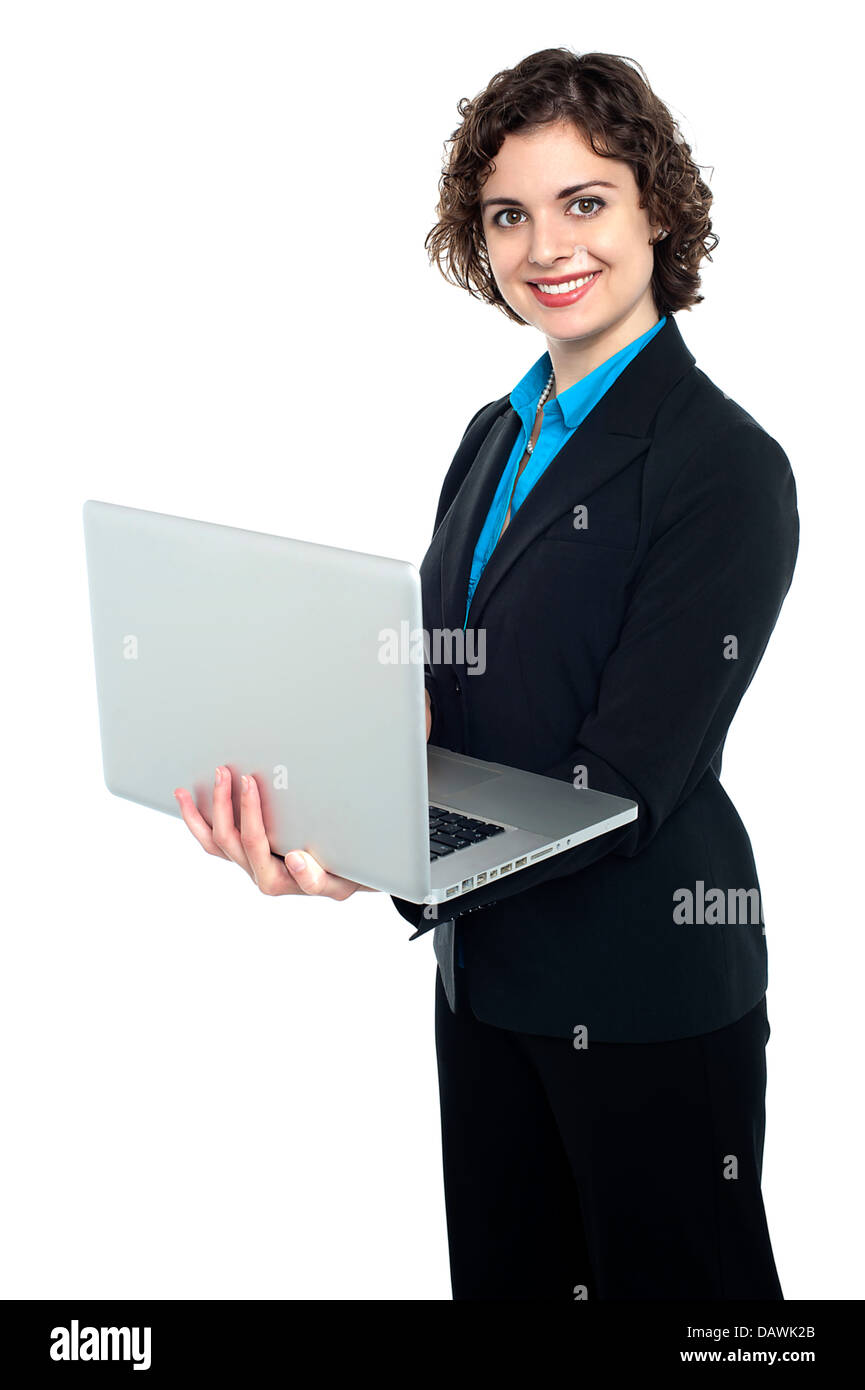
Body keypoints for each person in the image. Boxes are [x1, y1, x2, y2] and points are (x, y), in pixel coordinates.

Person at [176, 47, 798, 1301]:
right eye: (508, 214)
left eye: (585, 202)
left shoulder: (723, 464)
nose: (544, 246)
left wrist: (380, 857)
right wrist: (318, 786)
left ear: (657, 211)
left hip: (647, 995)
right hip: (486, 983)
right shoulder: (493, 434)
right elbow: (435, 694)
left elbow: (624, 782)